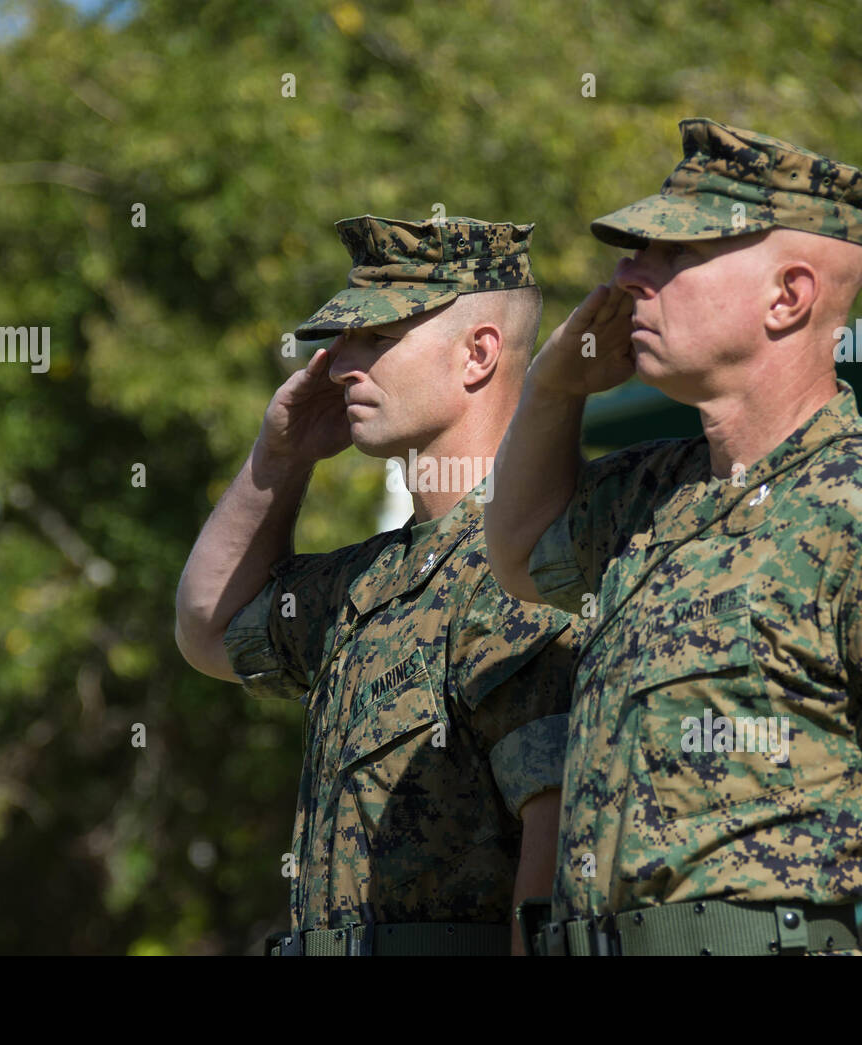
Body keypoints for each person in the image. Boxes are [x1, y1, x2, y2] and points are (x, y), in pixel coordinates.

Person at [484, 118, 862, 956]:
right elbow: (521, 557)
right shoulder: (654, 489)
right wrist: (551, 389)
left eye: (672, 257)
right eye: (633, 253)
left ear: (788, 296)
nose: (627, 277)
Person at [176, 214, 576, 955]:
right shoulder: (371, 577)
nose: (337, 366)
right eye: (342, 339)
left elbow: (549, 857)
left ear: (478, 354)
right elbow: (207, 626)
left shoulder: (528, 570)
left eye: (376, 339)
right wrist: (280, 456)